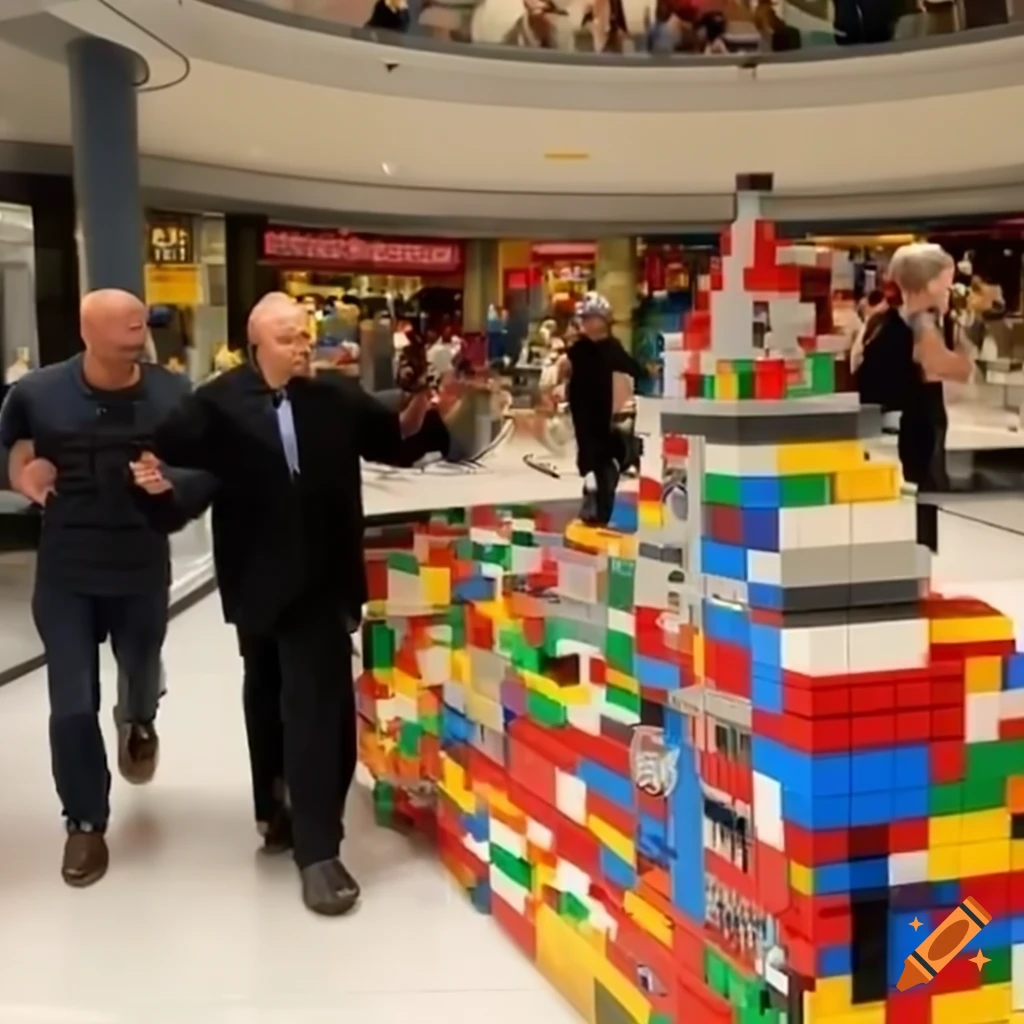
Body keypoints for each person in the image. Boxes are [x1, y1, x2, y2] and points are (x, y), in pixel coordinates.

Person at [144, 293, 450, 916]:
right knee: (265, 691)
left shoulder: (334, 396)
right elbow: (173, 462)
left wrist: (424, 407)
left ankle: (319, 849)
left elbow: (395, 441)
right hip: (255, 578)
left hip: (322, 578)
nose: (303, 346)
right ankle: (275, 810)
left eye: (305, 334)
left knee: (318, 706)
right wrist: (152, 483)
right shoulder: (217, 402)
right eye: (288, 338)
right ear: (256, 343)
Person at [0, 288, 213, 887]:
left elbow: (202, 467)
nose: (136, 333)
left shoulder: (174, 394)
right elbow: (11, 449)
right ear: (87, 332)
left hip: (139, 564)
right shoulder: (38, 392)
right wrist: (23, 474)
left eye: (140, 324)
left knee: (140, 670)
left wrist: (168, 481)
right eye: (123, 325)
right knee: (72, 703)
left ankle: (139, 718)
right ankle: (85, 822)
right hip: (67, 569)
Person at [854, 244, 972, 549]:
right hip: (911, 430)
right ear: (929, 285)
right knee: (920, 500)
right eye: (946, 285)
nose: (950, 293)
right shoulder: (918, 327)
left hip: (905, 427)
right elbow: (947, 369)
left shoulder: (885, 322)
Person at [558, 293, 645, 526]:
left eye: (589, 318)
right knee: (590, 460)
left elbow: (632, 372)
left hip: (605, 417)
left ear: (602, 320)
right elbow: (567, 371)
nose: (584, 323)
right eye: (583, 318)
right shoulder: (580, 349)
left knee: (602, 461)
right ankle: (593, 505)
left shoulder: (611, 349)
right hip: (584, 416)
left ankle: (599, 510)